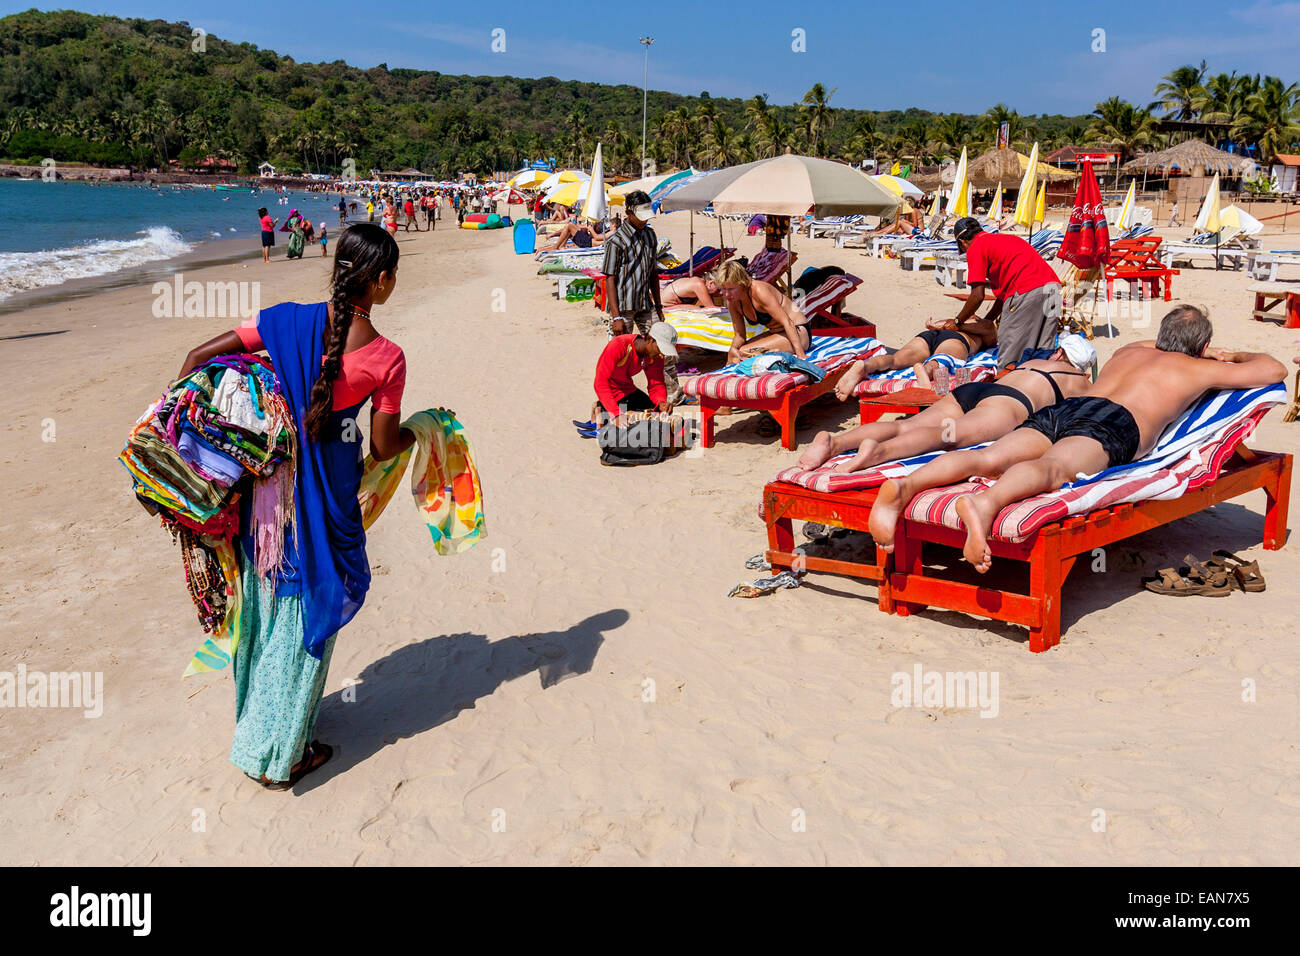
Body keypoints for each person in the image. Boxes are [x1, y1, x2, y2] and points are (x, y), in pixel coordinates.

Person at [176, 223, 411, 788]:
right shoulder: (388, 358)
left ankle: (266, 718)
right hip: (326, 493)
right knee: (313, 603)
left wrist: (187, 419)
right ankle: (282, 753)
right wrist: (417, 436)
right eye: (392, 276)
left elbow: (195, 357)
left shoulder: (286, 320)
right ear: (380, 282)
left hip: (268, 494)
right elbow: (381, 445)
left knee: (268, 599)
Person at [868, 306, 1287, 569]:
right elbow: (1273, 370)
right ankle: (984, 504)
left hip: (1070, 408)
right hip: (1114, 422)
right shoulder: (1199, 368)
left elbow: (1151, 341)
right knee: (1052, 469)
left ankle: (905, 485)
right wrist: (1227, 355)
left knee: (989, 457)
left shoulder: (1130, 352)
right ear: (1203, 346)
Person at [799, 334, 1096, 472]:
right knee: (945, 435)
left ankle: (835, 443)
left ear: (1058, 352)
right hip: (1009, 405)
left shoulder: (1034, 361)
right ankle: (879, 454)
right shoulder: (1080, 382)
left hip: (976, 391)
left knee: (910, 425)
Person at [949, 216, 1063, 371]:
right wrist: (988, 320)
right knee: (1044, 351)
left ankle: (1007, 389)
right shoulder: (1006, 239)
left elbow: (977, 295)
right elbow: (1004, 297)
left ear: (962, 241)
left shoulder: (976, 247)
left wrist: (957, 321)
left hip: (1028, 291)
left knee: (1010, 354)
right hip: (1054, 290)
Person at [832, 317, 999, 400]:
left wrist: (954, 322)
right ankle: (925, 371)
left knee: (895, 359)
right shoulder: (984, 327)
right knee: (942, 360)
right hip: (957, 340)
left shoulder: (953, 320)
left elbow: (936, 323)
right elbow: (991, 338)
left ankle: (866, 365)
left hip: (929, 335)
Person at [710, 259, 813, 364]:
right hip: (777, 333)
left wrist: (801, 355)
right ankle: (727, 375)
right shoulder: (732, 302)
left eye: (731, 289)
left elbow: (788, 322)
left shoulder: (759, 291)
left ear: (741, 284)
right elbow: (739, 336)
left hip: (798, 332)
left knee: (743, 353)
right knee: (736, 353)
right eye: (723, 289)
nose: (726, 294)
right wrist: (732, 350)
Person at [592, 322, 679, 424]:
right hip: (610, 391)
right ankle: (600, 409)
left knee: (656, 415)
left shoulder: (656, 356)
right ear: (650, 340)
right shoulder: (619, 345)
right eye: (660, 349)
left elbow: (656, 384)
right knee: (623, 424)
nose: (661, 354)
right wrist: (616, 414)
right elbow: (600, 382)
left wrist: (660, 402)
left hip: (628, 390)